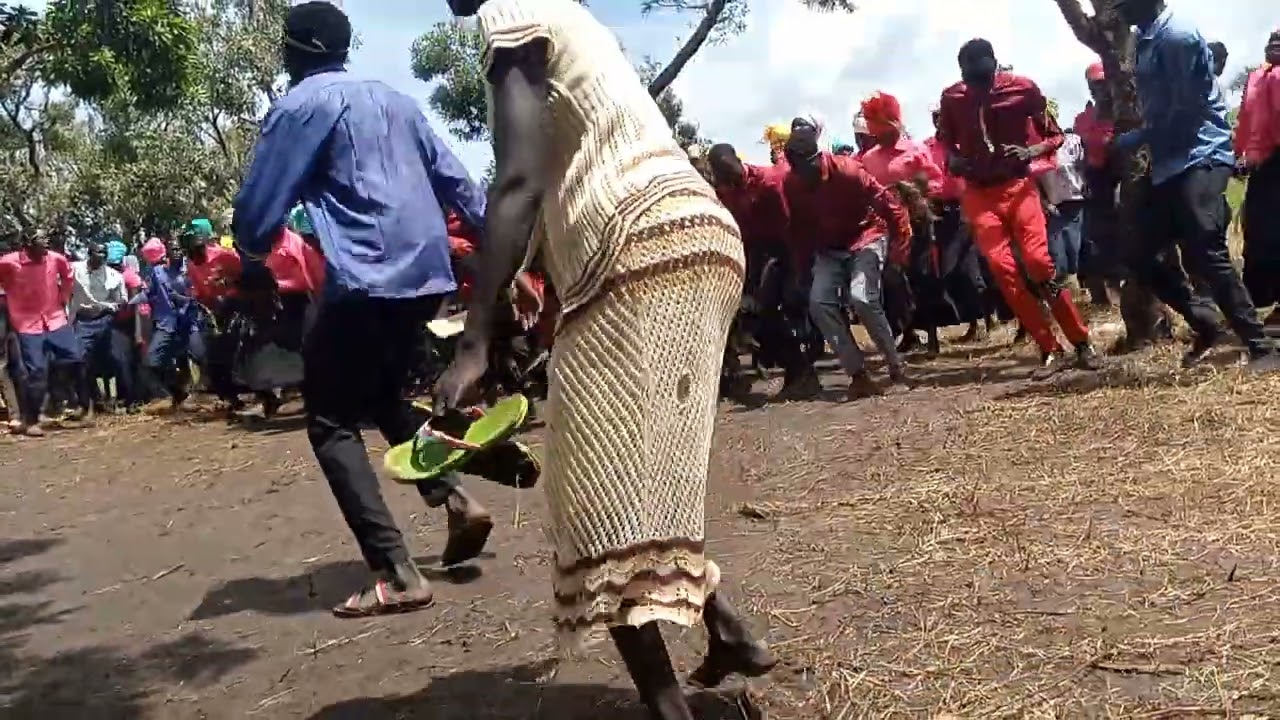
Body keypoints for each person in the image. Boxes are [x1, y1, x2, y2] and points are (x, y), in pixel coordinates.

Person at [434, 0, 776, 716]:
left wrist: (474, 341)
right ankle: (728, 631)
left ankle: (664, 705)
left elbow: (519, 181)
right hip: (695, 232)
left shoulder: (510, 13)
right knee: (635, 483)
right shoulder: (569, 14)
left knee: (590, 499)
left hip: (634, 247)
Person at [233, 2, 497, 617]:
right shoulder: (398, 100)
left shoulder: (300, 105)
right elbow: (460, 183)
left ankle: (396, 571)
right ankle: (455, 497)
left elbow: (258, 211)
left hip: (365, 274)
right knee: (380, 397)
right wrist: (500, 242)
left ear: (293, 52)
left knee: (328, 419)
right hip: (425, 273)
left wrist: (250, 246)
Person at [1114, 0, 1279, 370]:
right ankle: (1205, 321)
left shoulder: (1177, 36)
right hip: (1170, 160)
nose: (1118, 13)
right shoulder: (1144, 37)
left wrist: (1141, 136)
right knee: (1138, 253)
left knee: (1205, 243)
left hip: (1201, 151)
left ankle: (1262, 348)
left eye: (1123, 5)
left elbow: (1186, 110)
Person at [937, 39, 1100, 379]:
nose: (979, 87)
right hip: (980, 195)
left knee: (1040, 263)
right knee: (1003, 271)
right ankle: (1048, 348)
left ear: (996, 67)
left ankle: (1081, 342)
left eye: (984, 79)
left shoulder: (1023, 89)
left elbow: (1054, 136)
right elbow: (944, 143)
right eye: (972, 80)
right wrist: (955, 161)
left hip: (1018, 187)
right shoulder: (952, 97)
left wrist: (1031, 152)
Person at [783, 117, 914, 395]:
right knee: (819, 304)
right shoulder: (793, 183)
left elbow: (891, 207)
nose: (801, 175)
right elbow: (799, 230)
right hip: (828, 249)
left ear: (818, 157)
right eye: (795, 168)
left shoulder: (850, 172)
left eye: (805, 167)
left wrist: (898, 255)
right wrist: (801, 270)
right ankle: (858, 375)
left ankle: (896, 368)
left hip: (866, 236)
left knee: (862, 299)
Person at [707, 142, 817, 397]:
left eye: (726, 170)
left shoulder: (767, 183)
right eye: (719, 173)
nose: (724, 177)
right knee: (757, 316)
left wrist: (796, 269)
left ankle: (803, 373)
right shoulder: (724, 192)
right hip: (754, 254)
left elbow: (788, 226)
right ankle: (794, 372)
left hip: (784, 251)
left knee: (779, 310)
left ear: (735, 161)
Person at [923, 105, 998, 342]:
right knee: (950, 271)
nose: (939, 122)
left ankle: (988, 321)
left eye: (942, 117)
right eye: (936, 118)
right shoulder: (926, 147)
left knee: (967, 268)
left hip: (966, 208)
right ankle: (976, 322)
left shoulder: (964, 144)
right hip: (938, 213)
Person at [0, 230, 84, 436]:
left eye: (47, 238)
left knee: (75, 358)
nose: (46, 242)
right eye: (41, 239)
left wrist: (63, 298)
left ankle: (67, 399)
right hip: (27, 323)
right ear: (28, 243)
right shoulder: (9, 262)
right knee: (36, 370)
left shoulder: (56, 259)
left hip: (55, 319)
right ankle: (31, 420)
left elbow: (68, 276)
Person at [1235, 30, 1280, 325]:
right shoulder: (1260, 79)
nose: (1273, 48)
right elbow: (1250, 123)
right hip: (1265, 164)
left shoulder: (1275, 79)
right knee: (1262, 233)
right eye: (1271, 42)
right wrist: (1243, 156)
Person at [1075, 62, 1120, 306]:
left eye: (1103, 84)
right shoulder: (1083, 119)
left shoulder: (1126, 112)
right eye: (1095, 85)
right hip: (1096, 180)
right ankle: (1106, 290)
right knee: (1098, 236)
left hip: (1122, 175)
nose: (1099, 90)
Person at [70, 241, 129, 414]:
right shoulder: (74, 270)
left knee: (117, 359)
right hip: (82, 321)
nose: (102, 256)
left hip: (105, 320)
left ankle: (120, 400)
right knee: (79, 360)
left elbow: (121, 301)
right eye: (98, 252)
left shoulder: (114, 277)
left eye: (104, 253)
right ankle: (86, 403)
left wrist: (110, 309)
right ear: (89, 253)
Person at [1039, 114, 1088, 283]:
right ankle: (1066, 284)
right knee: (1055, 247)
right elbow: (1031, 179)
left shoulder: (1073, 141)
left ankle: (1075, 281)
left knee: (1074, 245)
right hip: (1053, 204)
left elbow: (1085, 164)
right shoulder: (1032, 148)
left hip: (1075, 199)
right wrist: (1044, 202)